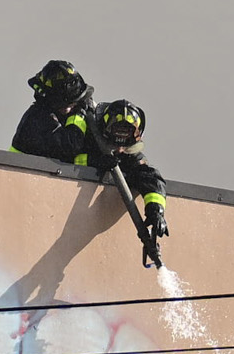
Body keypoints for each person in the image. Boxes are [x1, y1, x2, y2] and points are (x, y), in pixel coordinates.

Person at [12, 60, 170, 268]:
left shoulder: (98, 133)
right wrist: (92, 156)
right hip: (20, 191)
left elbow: (148, 175)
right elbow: (64, 154)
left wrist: (156, 209)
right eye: (70, 104)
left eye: (124, 146)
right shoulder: (40, 120)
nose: (119, 150)